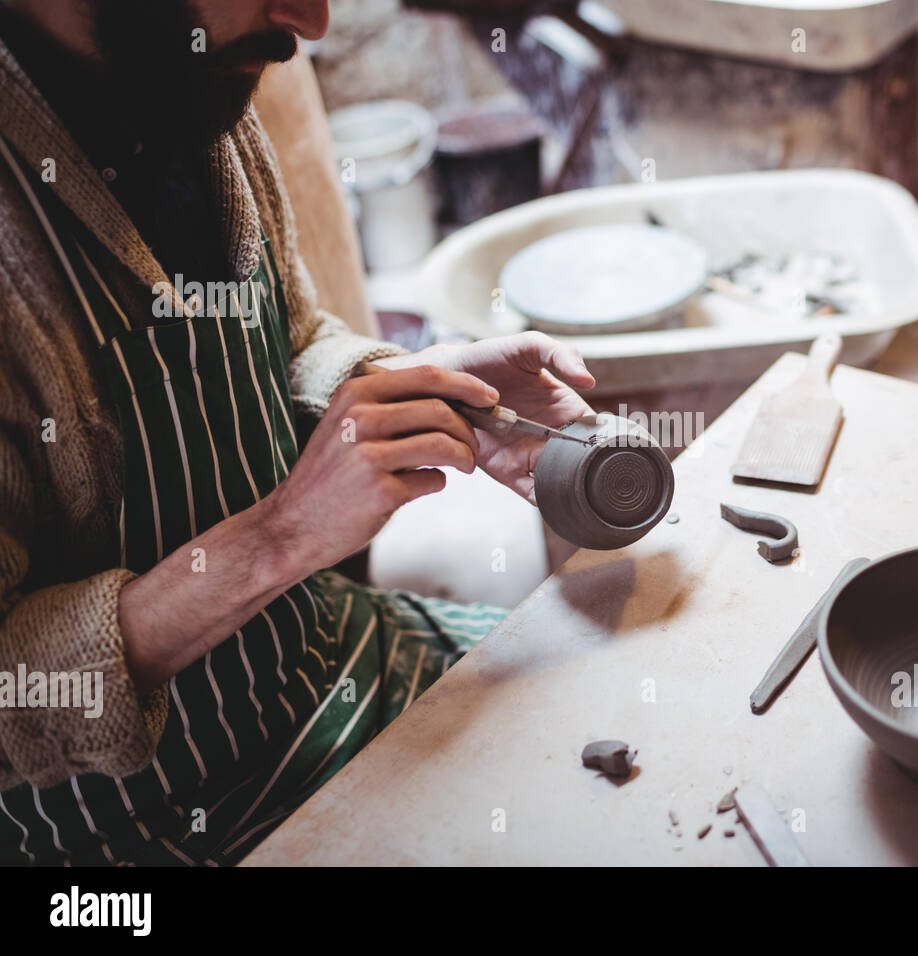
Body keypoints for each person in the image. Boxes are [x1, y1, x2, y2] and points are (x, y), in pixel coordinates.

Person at [0, 0, 595, 864]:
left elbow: (290, 336)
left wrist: (412, 384)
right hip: (127, 832)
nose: (310, 22)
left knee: (598, 727)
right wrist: (280, 537)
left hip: (325, 664)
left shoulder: (187, 80)